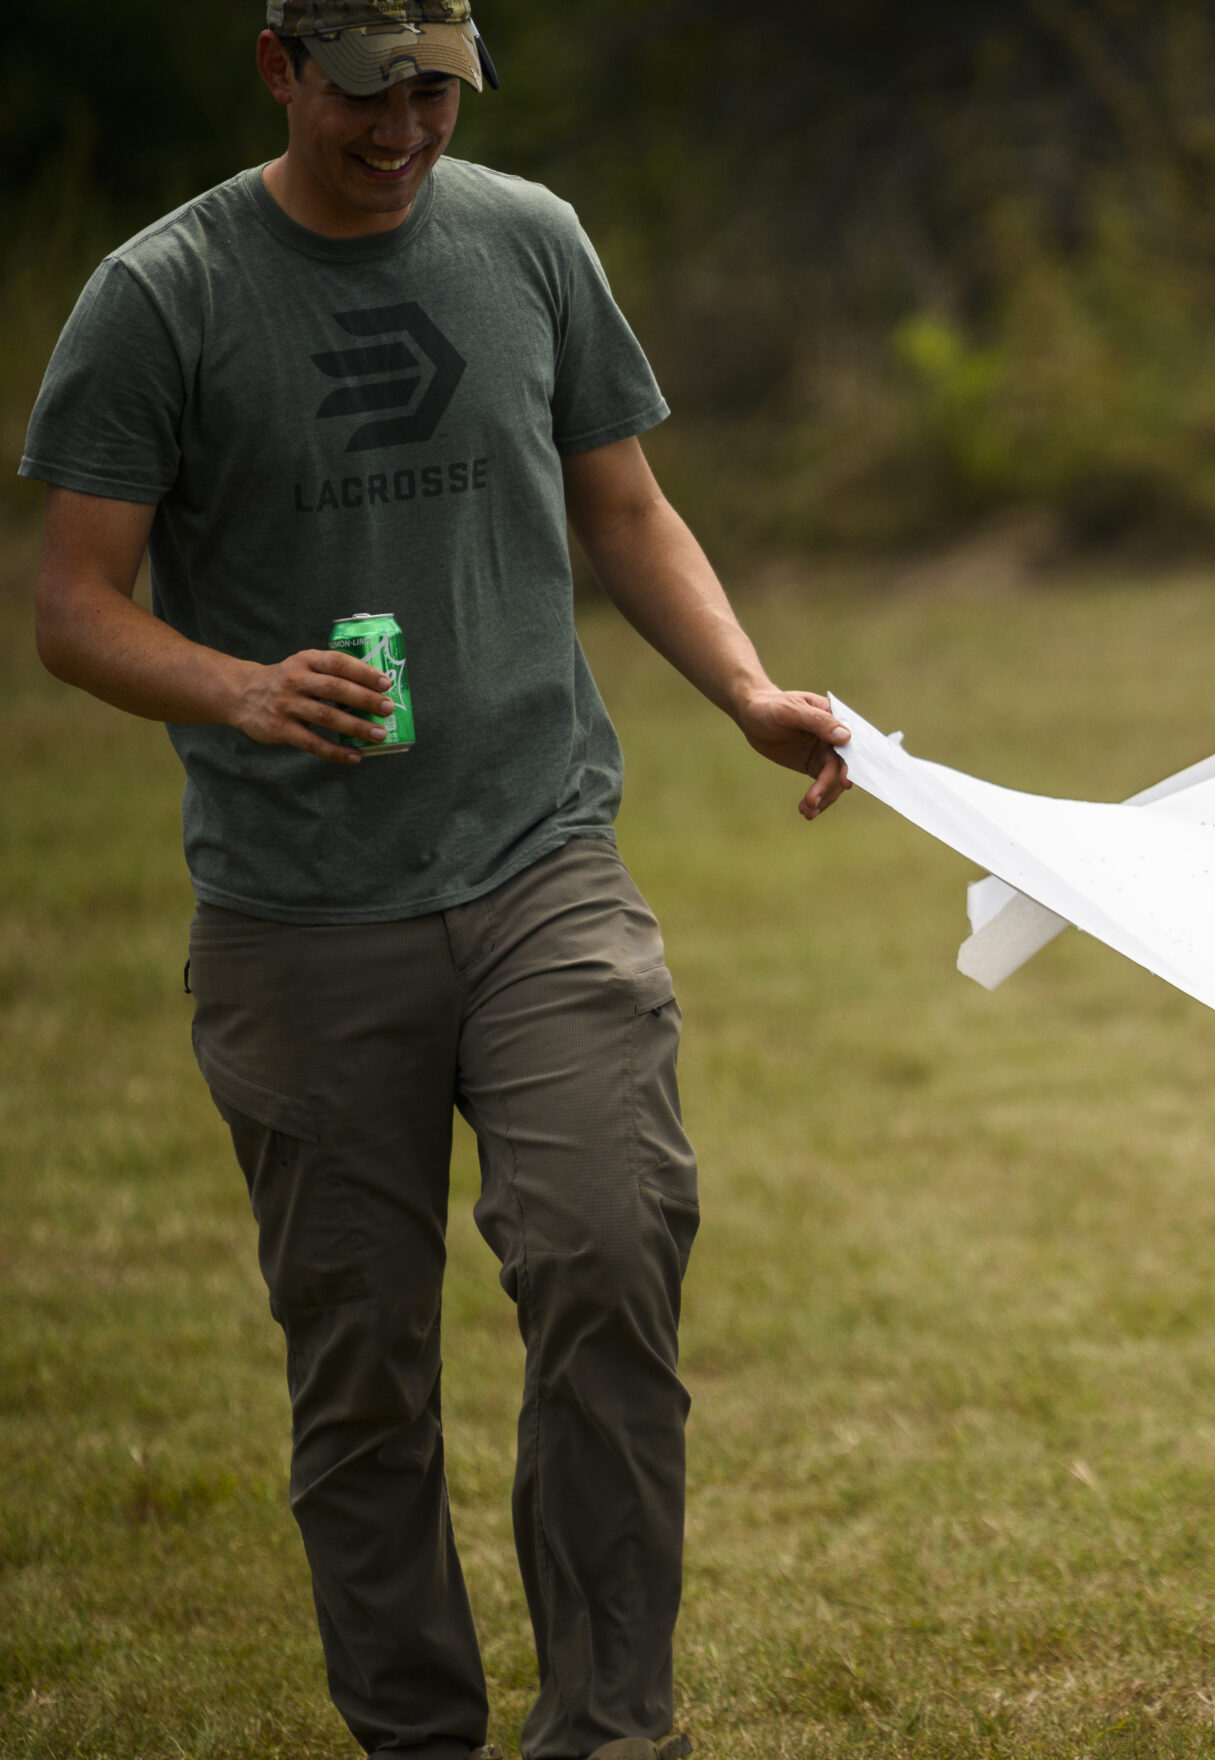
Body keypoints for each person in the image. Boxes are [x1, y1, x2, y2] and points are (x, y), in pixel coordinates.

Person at [22, 5, 853, 1756]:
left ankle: (611, 1732)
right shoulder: (161, 296)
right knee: (365, 1378)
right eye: (365, 89)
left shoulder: (527, 241)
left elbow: (621, 506)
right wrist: (245, 686)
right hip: (301, 914)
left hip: (543, 853)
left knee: (612, 1259)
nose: (403, 128)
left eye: (433, 90)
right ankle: (419, 1738)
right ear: (277, 70)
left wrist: (749, 692)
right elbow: (74, 606)